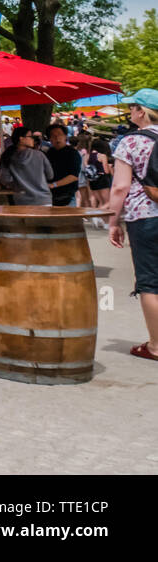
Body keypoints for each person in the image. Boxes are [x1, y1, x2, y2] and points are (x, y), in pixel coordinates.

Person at [105, 89, 158, 362]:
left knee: (149, 281)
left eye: (133, 107)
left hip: (145, 216)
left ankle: (156, 346)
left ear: (141, 111)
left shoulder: (131, 142)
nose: (130, 112)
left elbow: (121, 186)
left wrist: (114, 221)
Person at [0, 127, 54, 206]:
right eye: (30, 136)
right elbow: (50, 175)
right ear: (21, 138)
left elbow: (5, 179)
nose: (33, 139)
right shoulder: (40, 155)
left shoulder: (8, 156)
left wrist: (18, 185)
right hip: (43, 199)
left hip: (21, 199)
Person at [45, 124, 82, 207]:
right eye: (53, 136)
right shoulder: (49, 153)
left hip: (68, 197)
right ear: (49, 139)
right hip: (51, 197)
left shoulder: (73, 153)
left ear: (65, 136)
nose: (57, 138)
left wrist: (54, 185)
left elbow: (74, 176)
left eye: (60, 135)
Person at [84, 133, 114, 224]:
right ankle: (96, 214)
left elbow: (87, 168)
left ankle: (105, 222)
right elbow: (106, 170)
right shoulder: (102, 156)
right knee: (108, 202)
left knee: (100, 201)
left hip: (92, 181)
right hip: (102, 179)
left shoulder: (87, 156)